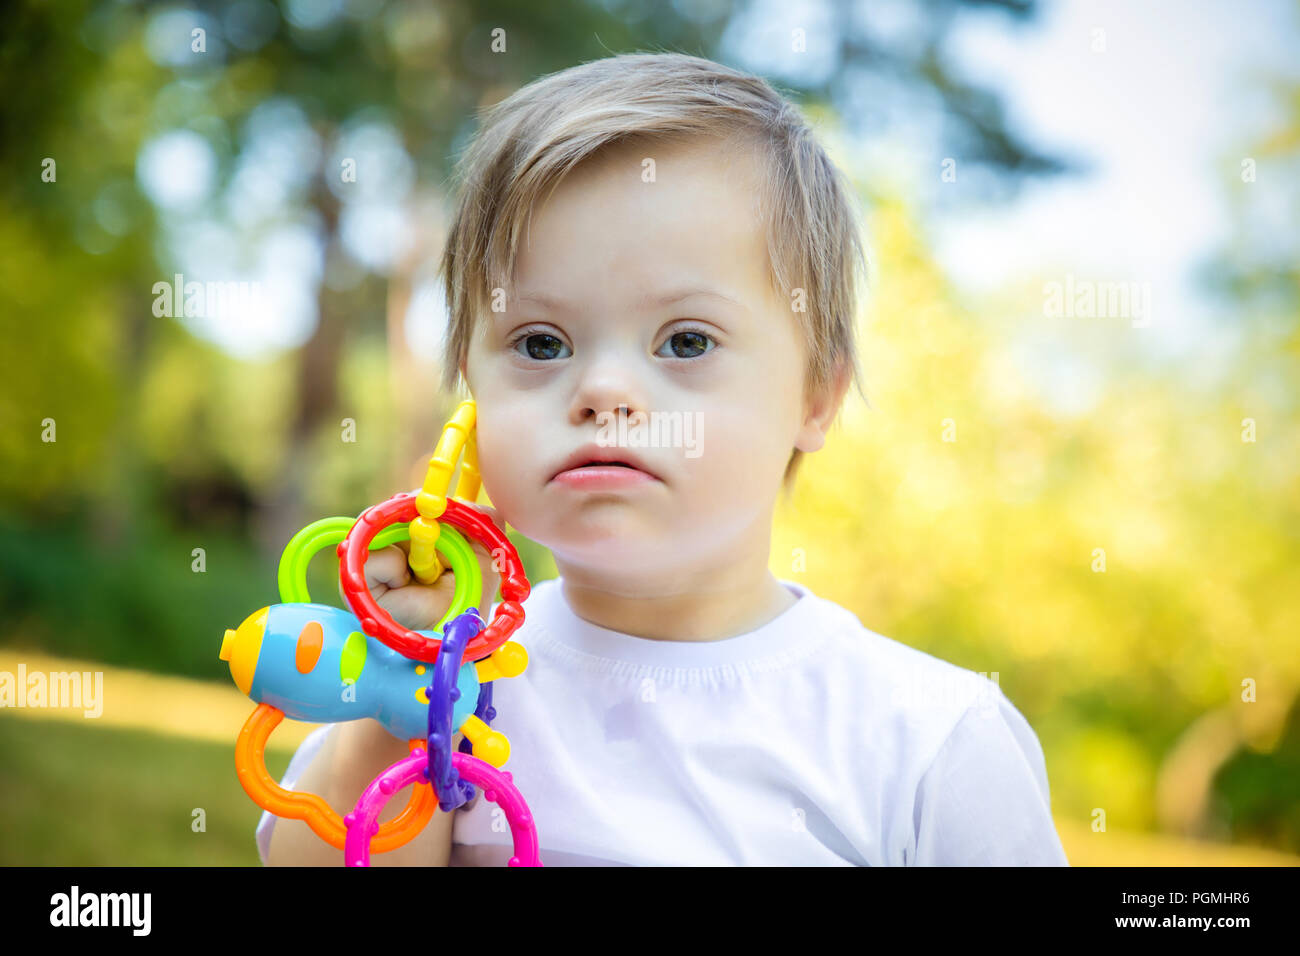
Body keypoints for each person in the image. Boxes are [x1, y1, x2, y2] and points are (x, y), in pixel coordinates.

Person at [261, 51, 1069, 866]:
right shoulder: (457, 677)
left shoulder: (929, 742)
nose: (603, 389)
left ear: (814, 398)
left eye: (686, 341)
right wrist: (401, 689)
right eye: (541, 343)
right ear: (470, 394)